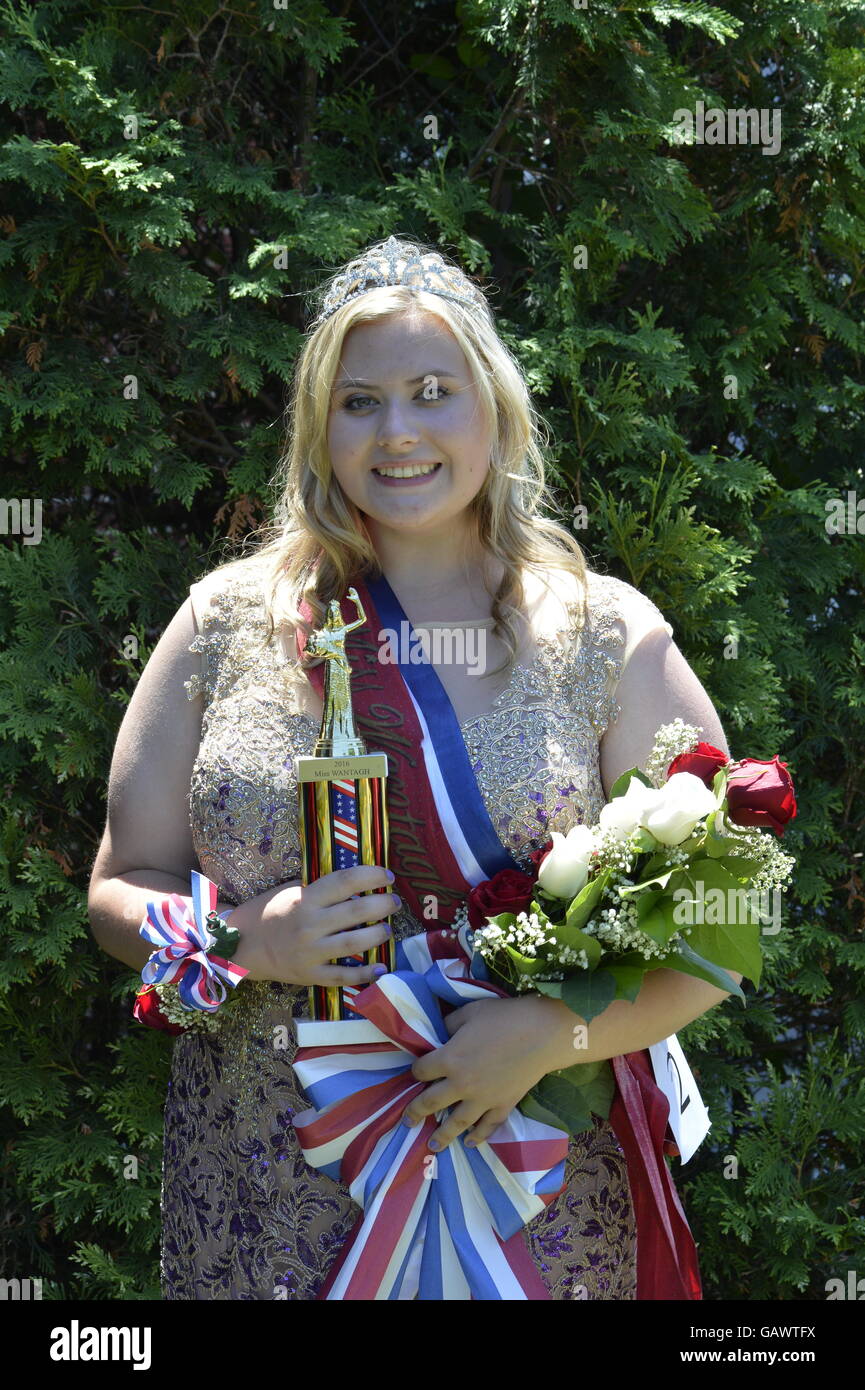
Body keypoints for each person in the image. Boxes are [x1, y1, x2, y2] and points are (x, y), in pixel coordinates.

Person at [88, 234, 740, 1300]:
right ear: (319, 424)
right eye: (359, 403)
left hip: (529, 1197)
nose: (397, 433)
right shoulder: (224, 624)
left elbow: (718, 915)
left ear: (492, 403)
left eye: (432, 392)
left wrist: (551, 1029)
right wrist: (246, 940)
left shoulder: (604, 636)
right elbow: (120, 887)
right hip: (262, 1191)